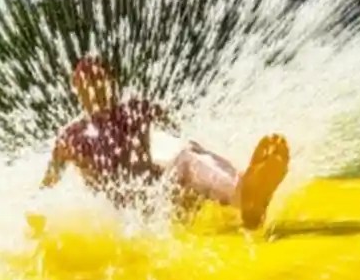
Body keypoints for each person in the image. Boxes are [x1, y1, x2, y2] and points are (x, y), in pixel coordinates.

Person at [40, 56, 290, 229]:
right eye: (88, 84)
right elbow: (45, 193)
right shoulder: (71, 139)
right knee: (185, 159)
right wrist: (37, 224)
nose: (97, 89)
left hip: (164, 200)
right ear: (77, 90)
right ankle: (243, 197)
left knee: (186, 155)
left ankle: (244, 192)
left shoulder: (136, 109)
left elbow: (184, 139)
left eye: (101, 80)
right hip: (135, 221)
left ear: (112, 82)